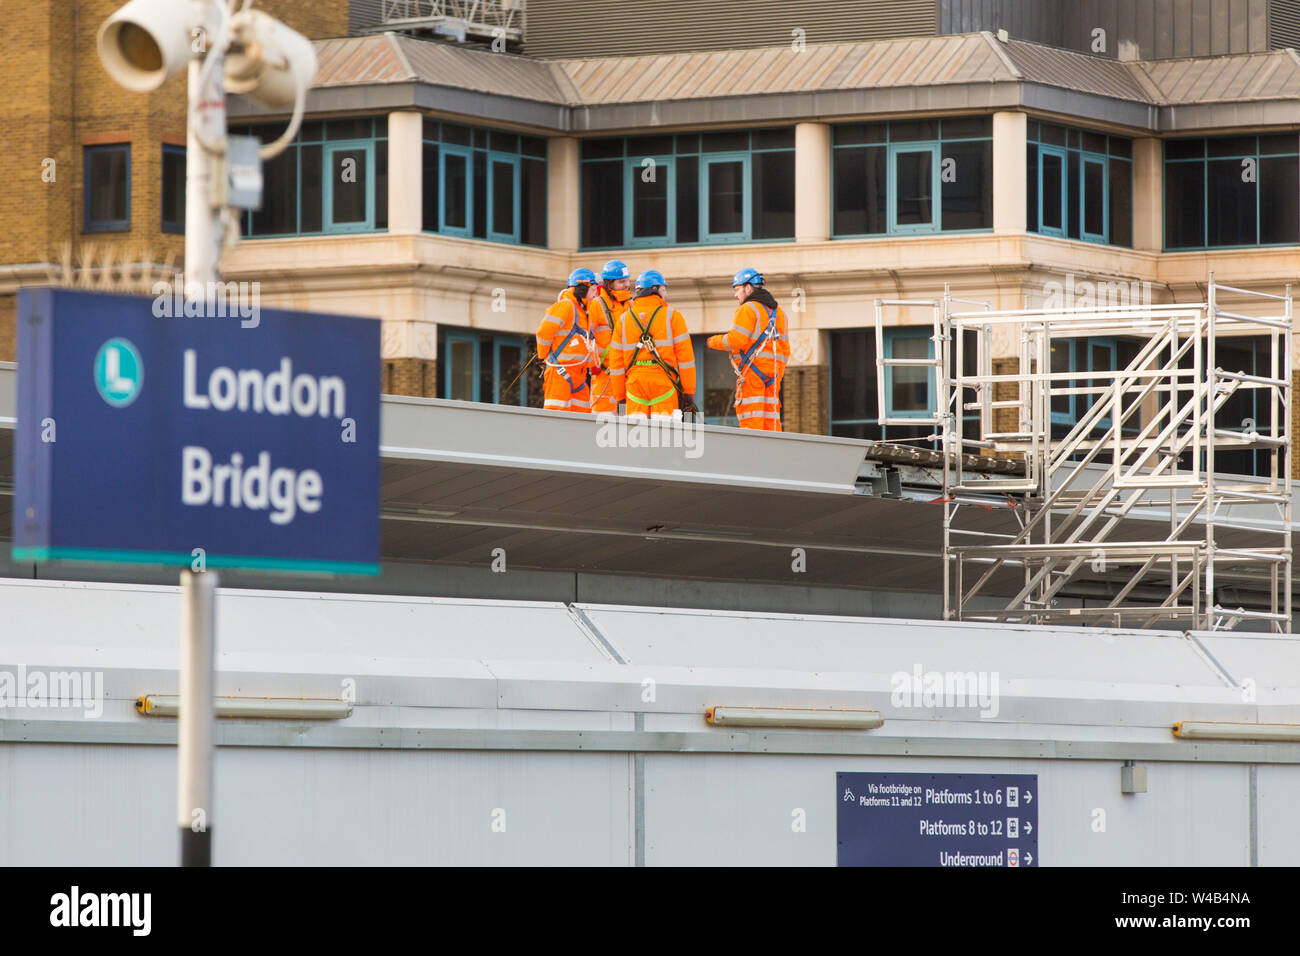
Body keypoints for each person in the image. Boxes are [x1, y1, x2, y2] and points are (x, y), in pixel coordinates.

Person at [707, 267, 789, 430]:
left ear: (748, 288)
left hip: (752, 374)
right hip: (774, 374)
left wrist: (712, 341)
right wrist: (775, 370)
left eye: (737, 289)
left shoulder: (747, 309)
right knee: (771, 419)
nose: (735, 295)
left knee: (751, 418)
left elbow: (735, 340)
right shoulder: (779, 313)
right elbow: (785, 350)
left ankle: (754, 453)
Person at [608, 269, 697, 418]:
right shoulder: (672, 316)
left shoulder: (624, 319)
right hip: (664, 385)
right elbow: (686, 358)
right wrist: (688, 392)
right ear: (655, 289)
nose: (666, 294)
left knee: (634, 437)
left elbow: (616, 363)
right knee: (664, 438)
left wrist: (619, 396)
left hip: (635, 387)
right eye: (664, 289)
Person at [536, 267, 600, 413]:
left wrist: (595, 365)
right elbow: (543, 333)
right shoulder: (566, 306)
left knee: (581, 421)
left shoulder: (585, 312)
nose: (596, 293)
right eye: (593, 288)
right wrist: (543, 356)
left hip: (580, 375)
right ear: (583, 288)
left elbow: (590, 342)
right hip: (560, 373)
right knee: (556, 419)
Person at [589, 259, 631, 415]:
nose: (627, 285)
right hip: (604, 376)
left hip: (628, 377)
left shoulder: (631, 305)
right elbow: (587, 338)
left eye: (627, 280)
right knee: (601, 424)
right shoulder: (597, 305)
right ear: (609, 284)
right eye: (622, 282)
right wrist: (593, 364)